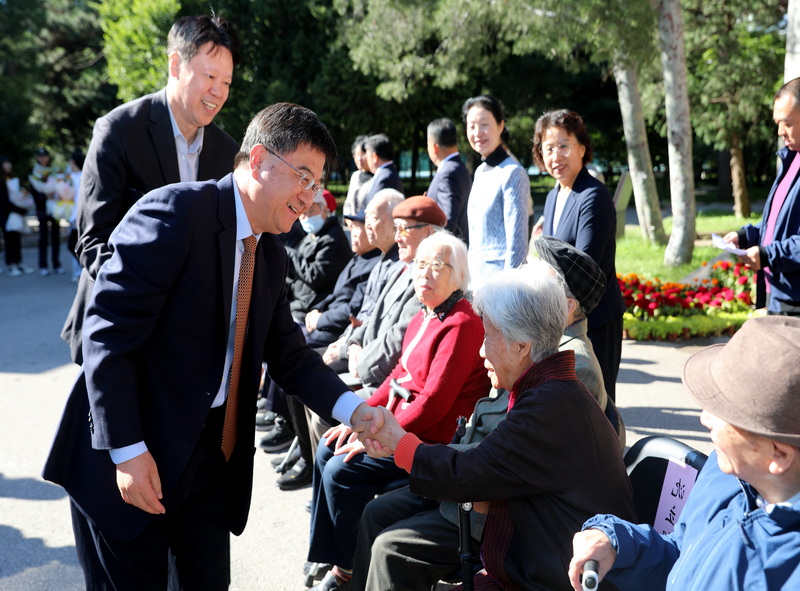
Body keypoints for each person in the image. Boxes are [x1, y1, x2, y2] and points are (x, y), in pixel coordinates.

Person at [42, 102, 384, 591]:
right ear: (261, 159)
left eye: (316, 185)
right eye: (304, 178)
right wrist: (127, 450)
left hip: (205, 460)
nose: (311, 198)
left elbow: (288, 354)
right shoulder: (175, 213)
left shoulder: (268, 254)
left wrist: (356, 411)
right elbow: (106, 336)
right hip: (131, 453)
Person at [349, 242, 622, 591]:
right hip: (524, 537)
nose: (481, 350)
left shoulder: (551, 401)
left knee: (392, 549)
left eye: (490, 336)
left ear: (522, 346)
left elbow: (473, 471)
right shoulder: (548, 387)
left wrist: (398, 444)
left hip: (546, 565)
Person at [308, 232, 491, 591]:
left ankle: (345, 568)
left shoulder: (463, 322)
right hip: (401, 420)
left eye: (438, 266)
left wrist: (377, 435)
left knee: (340, 469)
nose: (425, 273)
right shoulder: (425, 313)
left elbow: (433, 404)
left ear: (459, 276)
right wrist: (360, 416)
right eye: (420, 264)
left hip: (430, 438)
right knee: (329, 445)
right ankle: (332, 555)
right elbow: (397, 375)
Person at [569, 315, 800, 591]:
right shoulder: (725, 471)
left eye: (728, 413)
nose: (705, 418)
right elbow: (684, 553)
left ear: (779, 456)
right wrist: (615, 542)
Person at [61, 14, 241, 365]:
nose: (218, 91)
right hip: (117, 327)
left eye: (227, 82)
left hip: (188, 340)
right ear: (176, 65)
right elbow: (91, 240)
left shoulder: (227, 154)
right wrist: (152, 296)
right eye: (209, 76)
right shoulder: (119, 130)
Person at [531, 108, 626, 402]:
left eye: (564, 146)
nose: (556, 156)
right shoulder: (554, 194)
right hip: (563, 317)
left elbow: (584, 266)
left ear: (582, 149)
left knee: (597, 404)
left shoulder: (593, 195)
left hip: (594, 320)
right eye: (548, 148)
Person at [343, 196, 445, 393]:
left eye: (403, 229)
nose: (397, 237)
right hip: (370, 364)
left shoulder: (431, 281)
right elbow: (373, 316)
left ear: (428, 232)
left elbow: (400, 337)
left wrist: (361, 362)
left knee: (322, 405)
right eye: (396, 229)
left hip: (389, 381)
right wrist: (353, 343)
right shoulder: (404, 269)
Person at [723, 78, 800, 315]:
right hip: (779, 297)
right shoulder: (791, 159)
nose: (780, 132)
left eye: (787, 123)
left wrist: (768, 255)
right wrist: (748, 235)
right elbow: (779, 221)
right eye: (778, 123)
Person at [462, 95, 530, 290]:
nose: (477, 132)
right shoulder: (480, 171)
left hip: (500, 286)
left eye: (484, 124)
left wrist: (509, 288)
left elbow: (517, 242)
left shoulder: (513, 172)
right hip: (476, 282)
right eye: (471, 126)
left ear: (500, 126)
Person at [286, 189, 352, 324]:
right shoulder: (313, 235)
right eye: (303, 213)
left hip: (312, 308)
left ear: (324, 210)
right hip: (298, 303)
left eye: (311, 211)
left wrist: (289, 254)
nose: (307, 217)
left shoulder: (333, 240)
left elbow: (315, 276)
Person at [425, 117, 472, 240]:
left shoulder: (448, 173)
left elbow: (448, 221)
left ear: (434, 146)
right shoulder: (460, 168)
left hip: (447, 254)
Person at [28, 146, 63, 276]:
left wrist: (56, 194)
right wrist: (44, 196)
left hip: (55, 207)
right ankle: (43, 265)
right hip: (42, 209)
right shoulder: (34, 173)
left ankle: (56, 264)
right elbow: (34, 193)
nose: (42, 159)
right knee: (43, 237)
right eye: (40, 156)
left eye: (44, 156)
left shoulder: (54, 171)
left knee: (55, 236)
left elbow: (61, 185)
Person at [2, 157, 35, 276]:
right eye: (6, 163)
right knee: (9, 240)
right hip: (6, 215)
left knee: (16, 239)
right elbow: (4, 202)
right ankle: (11, 264)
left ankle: (18, 262)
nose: (9, 165)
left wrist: (23, 203)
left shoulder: (10, 179)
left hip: (15, 213)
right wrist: (20, 209)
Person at [362, 133, 404, 208]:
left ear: (374, 157)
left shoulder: (385, 178)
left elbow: (374, 208)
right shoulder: (387, 173)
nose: (366, 159)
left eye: (367, 156)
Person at [342, 135, 373, 218]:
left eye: (363, 155)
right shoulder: (355, 176)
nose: (359, 159)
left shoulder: (377, 177)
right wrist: (348, 219)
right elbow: (348, 202)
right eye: (356, 155)